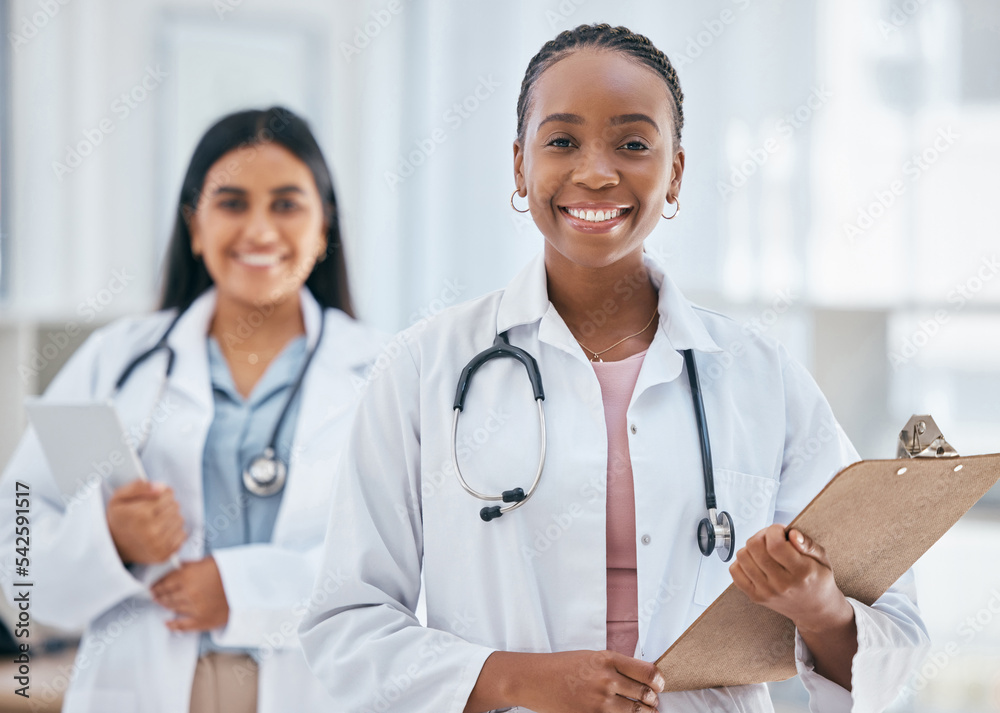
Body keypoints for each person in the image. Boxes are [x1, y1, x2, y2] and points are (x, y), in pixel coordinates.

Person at [297, 25, 929, 713]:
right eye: (562, 141)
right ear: (519, 166)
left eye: (633, 144)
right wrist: (520, 678)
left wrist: (817, 606)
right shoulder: (424, 368)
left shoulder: (759, 377)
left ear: (676, 172)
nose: (596, 172)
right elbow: (346, 626)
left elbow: (893, 636)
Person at [0, 106, 384, 713]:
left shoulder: (386, 372)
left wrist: (244, 591)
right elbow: (15, 543)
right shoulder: (119, 361)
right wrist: (110, 541)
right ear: (195, 225)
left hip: (319, 690)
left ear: (324, 225)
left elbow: (419, 569)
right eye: (232, 203)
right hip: (140, 686)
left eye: (286, 204)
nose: (259, 230)